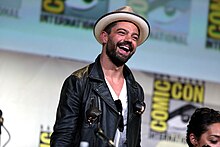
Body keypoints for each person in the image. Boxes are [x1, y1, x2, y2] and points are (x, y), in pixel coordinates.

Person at [50, 6, 150, 147]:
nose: (129, 40)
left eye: (134, 37)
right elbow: (62, 138)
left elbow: (134, 141)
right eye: (122, 33)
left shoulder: (136, 90)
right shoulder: (79, 82)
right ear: (104, 37)